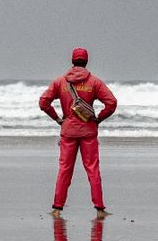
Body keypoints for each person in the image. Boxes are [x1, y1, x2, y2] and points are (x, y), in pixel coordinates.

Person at [38, 48, 117, 216]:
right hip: (88, 132)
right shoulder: (94, 82)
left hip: (68, 132)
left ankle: (57, 208)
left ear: (72, 61)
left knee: (64, 169)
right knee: (92, 169)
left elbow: (44, 102)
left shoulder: (60, 82)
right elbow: (111, 103)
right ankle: (100, 209)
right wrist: (99, 119)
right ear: (86, 62)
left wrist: (58, 119)